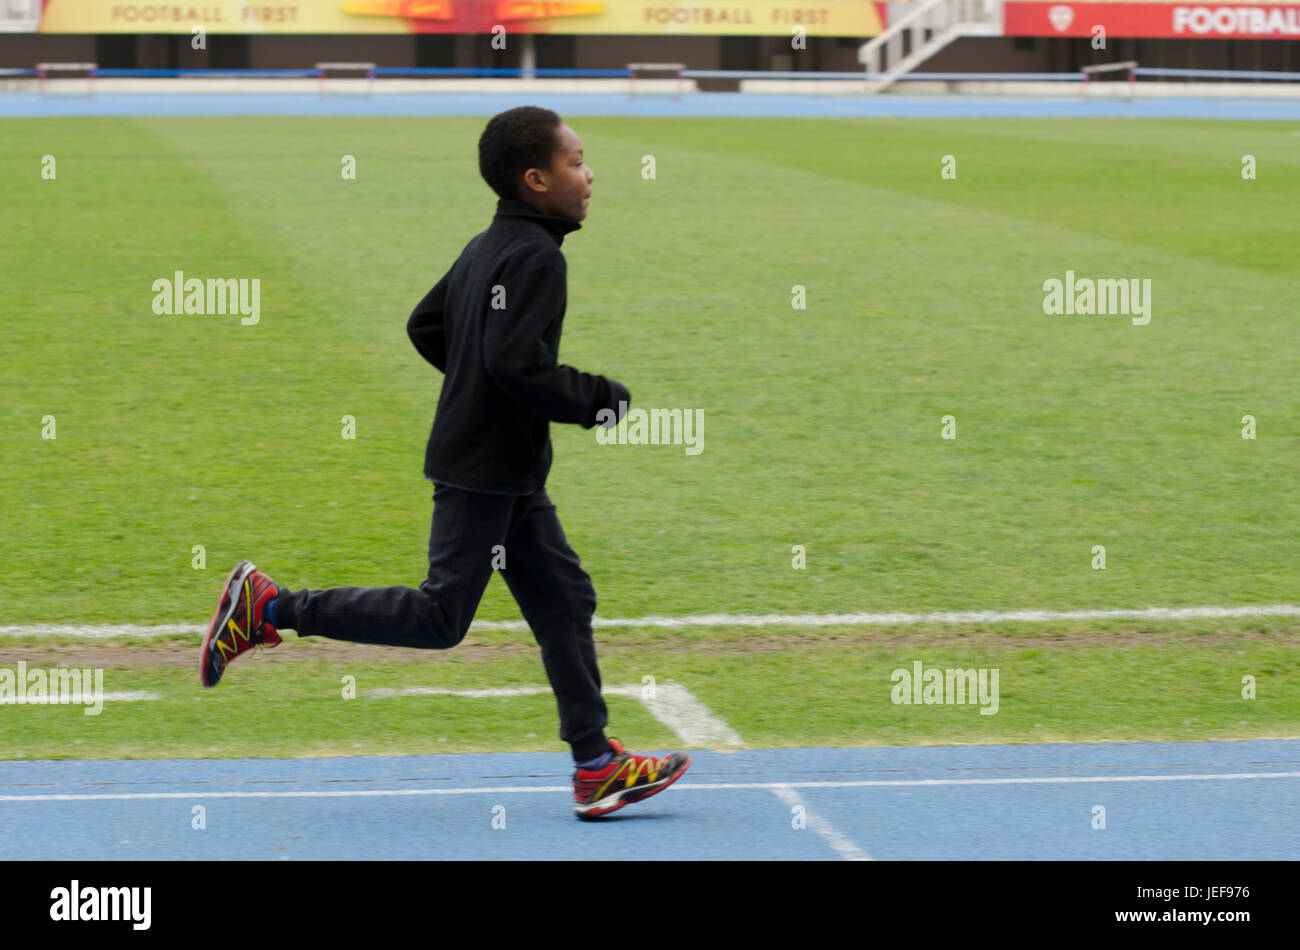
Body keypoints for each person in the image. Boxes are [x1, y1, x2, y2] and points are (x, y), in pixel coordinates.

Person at [198, 106, 690, 820]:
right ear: (536, 179)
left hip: (509, 470)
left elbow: (427, 325)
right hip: (483, 468)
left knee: (564, 600)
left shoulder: (489, 244)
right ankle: (268, 608)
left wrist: (473, 387)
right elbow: (516, 364)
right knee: (440, 616)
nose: (589, 176)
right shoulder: (537, 257)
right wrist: (598, 401)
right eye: (577, 162)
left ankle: (596, 766)